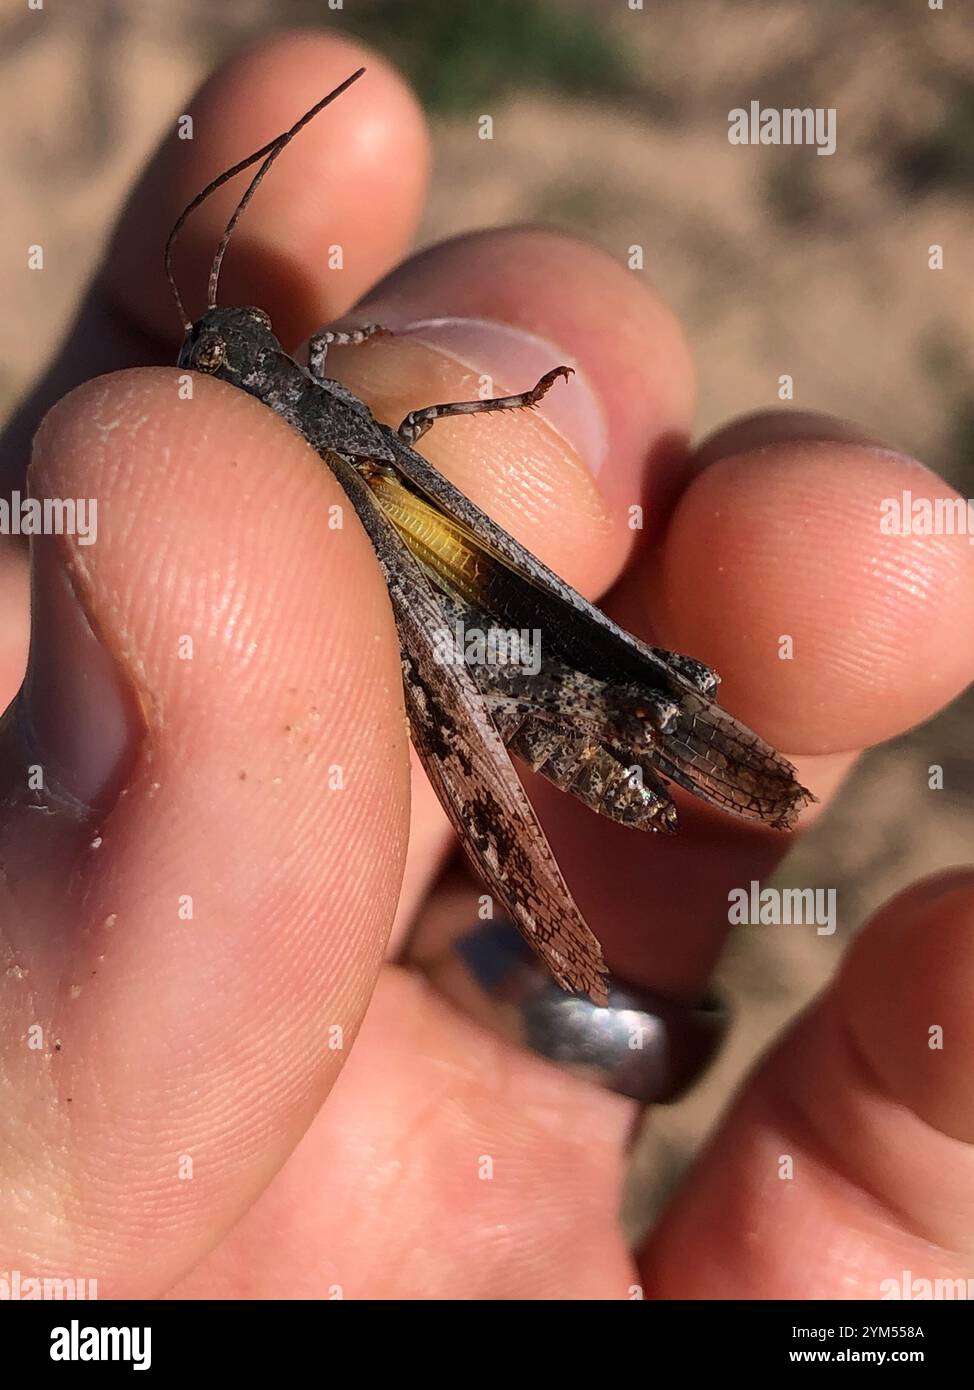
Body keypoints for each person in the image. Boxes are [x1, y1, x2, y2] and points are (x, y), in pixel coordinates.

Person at [1, 31, 972, 1301]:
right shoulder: (248, 470)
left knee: (579, 602)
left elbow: (402, 445)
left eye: (227, 352)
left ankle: (652, 743)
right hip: (436, 670)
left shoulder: (307, 419)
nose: (220, 356)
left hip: (502, 653)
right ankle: (562, 891)